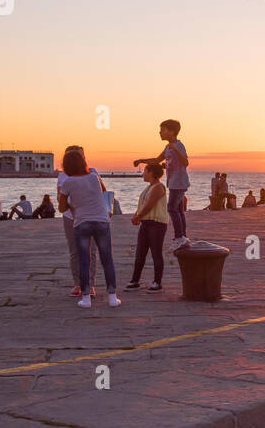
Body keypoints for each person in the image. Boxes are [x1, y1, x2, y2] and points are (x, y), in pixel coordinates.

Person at [58, 147, 120, 308]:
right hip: (101, 221)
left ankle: (86, 298)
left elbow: (62, 207)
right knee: (107, 259)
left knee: (83, 260)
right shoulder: (94, 177)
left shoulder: (68, 182)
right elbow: (100, 194)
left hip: (82, 223)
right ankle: (112, 297)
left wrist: (73, 205)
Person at [133, 119, 190, 252]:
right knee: (179, 210)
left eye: (163, 130)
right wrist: (141, 160)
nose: (160, 132)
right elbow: (157, 160)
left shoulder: (178, 145)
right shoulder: (167, 147)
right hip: (174, 182)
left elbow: (185, 162)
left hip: (179, 182)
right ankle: (183, 238)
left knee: (171, 208)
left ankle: (179, 237)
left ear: (172, 132)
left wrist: (176, 149)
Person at [60, 144, 104, 297]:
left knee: (91, 251)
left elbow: (102, 191)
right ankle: (78, 283)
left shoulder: (92, 173)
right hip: (70, 217)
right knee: (74, 251)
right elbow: (61, 200)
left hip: (88, 216)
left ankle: (91, 284)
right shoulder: (63, 176)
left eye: (80, 155)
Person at [125, 161, 168, 292]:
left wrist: (138, 216)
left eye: (145, 171)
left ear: (151, 173)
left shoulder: (159, 187)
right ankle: (135, 280)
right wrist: (137, 215)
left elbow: (150, 204)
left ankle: (157, 282)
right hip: (146, 224)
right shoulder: (148, 187)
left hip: (157, 224)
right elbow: (143, 204)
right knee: (140, 253)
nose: (143, 174)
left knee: (156, 253)